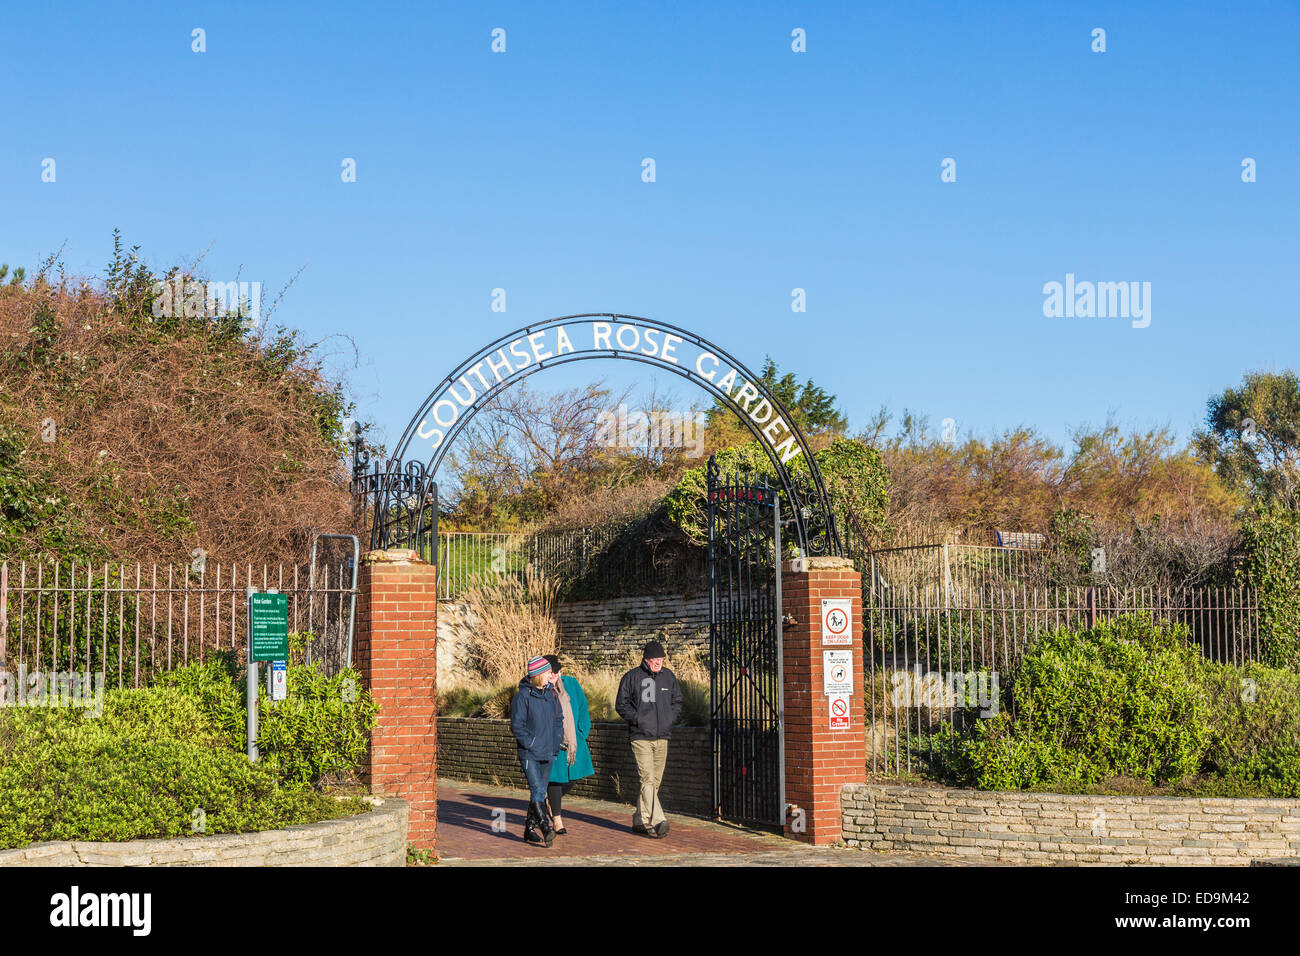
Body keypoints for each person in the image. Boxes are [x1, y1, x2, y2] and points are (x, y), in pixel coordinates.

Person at [615, 640, 683, 838]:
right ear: (646, 659)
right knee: (647, 779)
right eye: (655, 659)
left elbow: (677, 700)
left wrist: (671, 718)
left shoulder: (668, 677)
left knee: (655, 781)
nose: (658, 662)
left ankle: (640, 818)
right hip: (640, 737)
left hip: (663, 737)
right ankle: (659, 819)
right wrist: (638, 720)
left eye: (661, 659)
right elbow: (621, 705)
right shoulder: (631, 677)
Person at [509, 654, 565, 847]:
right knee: (538, 790)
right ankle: (545, 827)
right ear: (538, 674)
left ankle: (528, 829)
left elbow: (559, 720)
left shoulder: (552, 694)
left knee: (539, 792)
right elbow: (517, 726)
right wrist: (531, 743)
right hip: (530, 754)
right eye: (548, 672)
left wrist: (555, 742)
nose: (552, 675)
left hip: (548, 751)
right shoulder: (522, 696)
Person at [543, 654, 594, 835]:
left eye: (555, 671)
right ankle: (557, 819)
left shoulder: (571, 683)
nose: (553, 675)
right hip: (552, 743)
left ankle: (549, 802)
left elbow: (582, 707)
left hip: (573, 741)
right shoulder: (540, 689)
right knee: (555, 780)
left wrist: (582, 732)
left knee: (573, 778)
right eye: (549, 672)